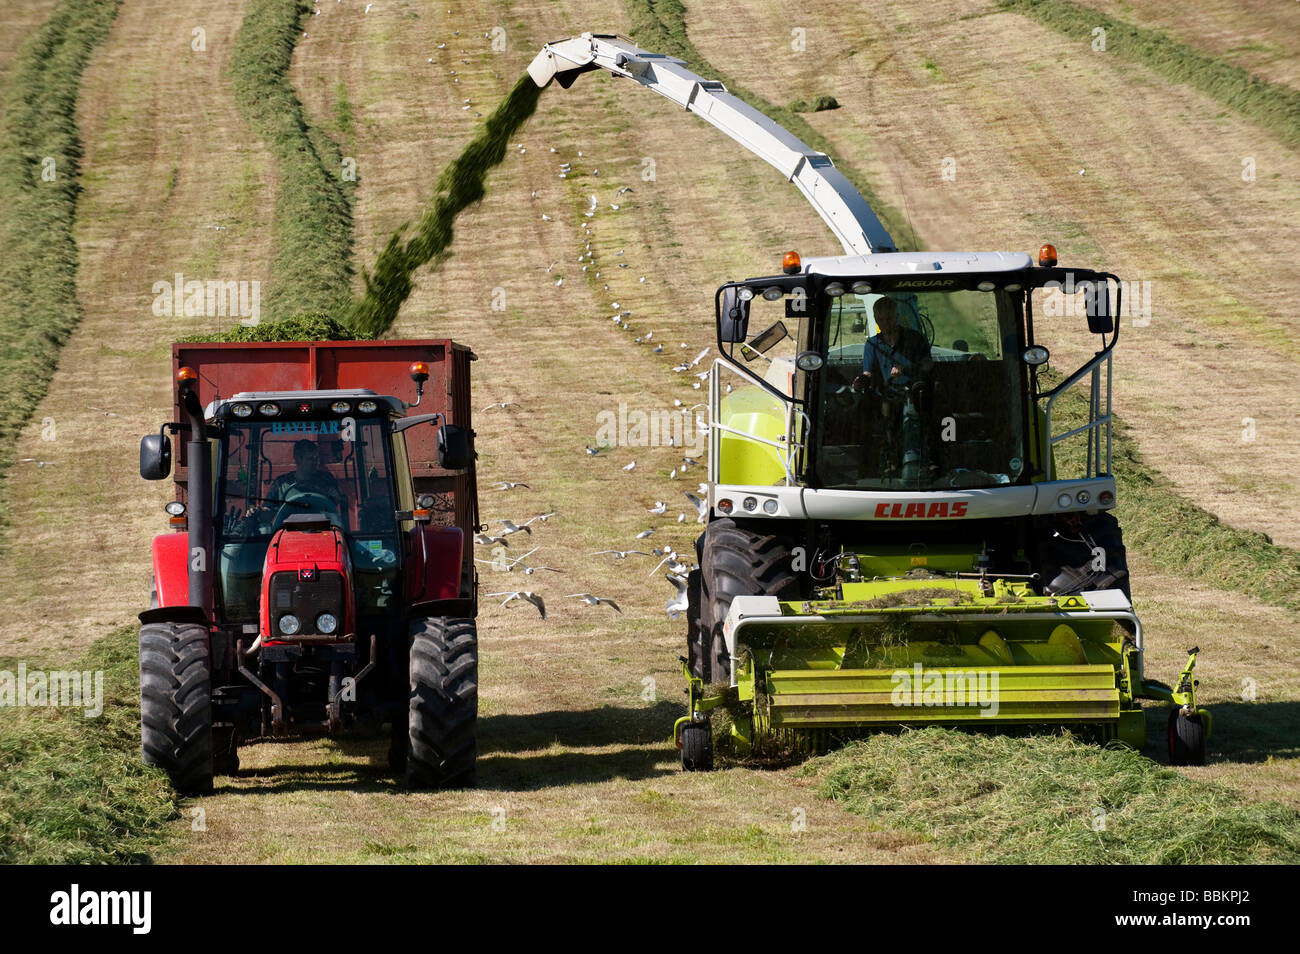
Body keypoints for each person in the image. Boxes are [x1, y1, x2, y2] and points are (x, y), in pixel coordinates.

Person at [851, 297, 934, 481]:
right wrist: (861, 381)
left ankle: (915, 466)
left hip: (914, 394)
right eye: (880, 320)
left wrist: (909, 368)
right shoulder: (872, 344)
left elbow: (928, 364)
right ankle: (884, 467)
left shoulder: (914, 338)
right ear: (875, 320)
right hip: (885, 397)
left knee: (911, 413)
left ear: (897, 316)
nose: (885, 323)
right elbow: (868, 372)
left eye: (888, 318)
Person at [266, 439, 343, 508]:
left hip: (321, 522)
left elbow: (336, 502)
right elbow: (267, 509)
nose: (316, 462)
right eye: (310, 459)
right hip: (290, 524)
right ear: (298, 459)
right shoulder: (281, 484)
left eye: (316, 458)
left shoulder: (326, 479)